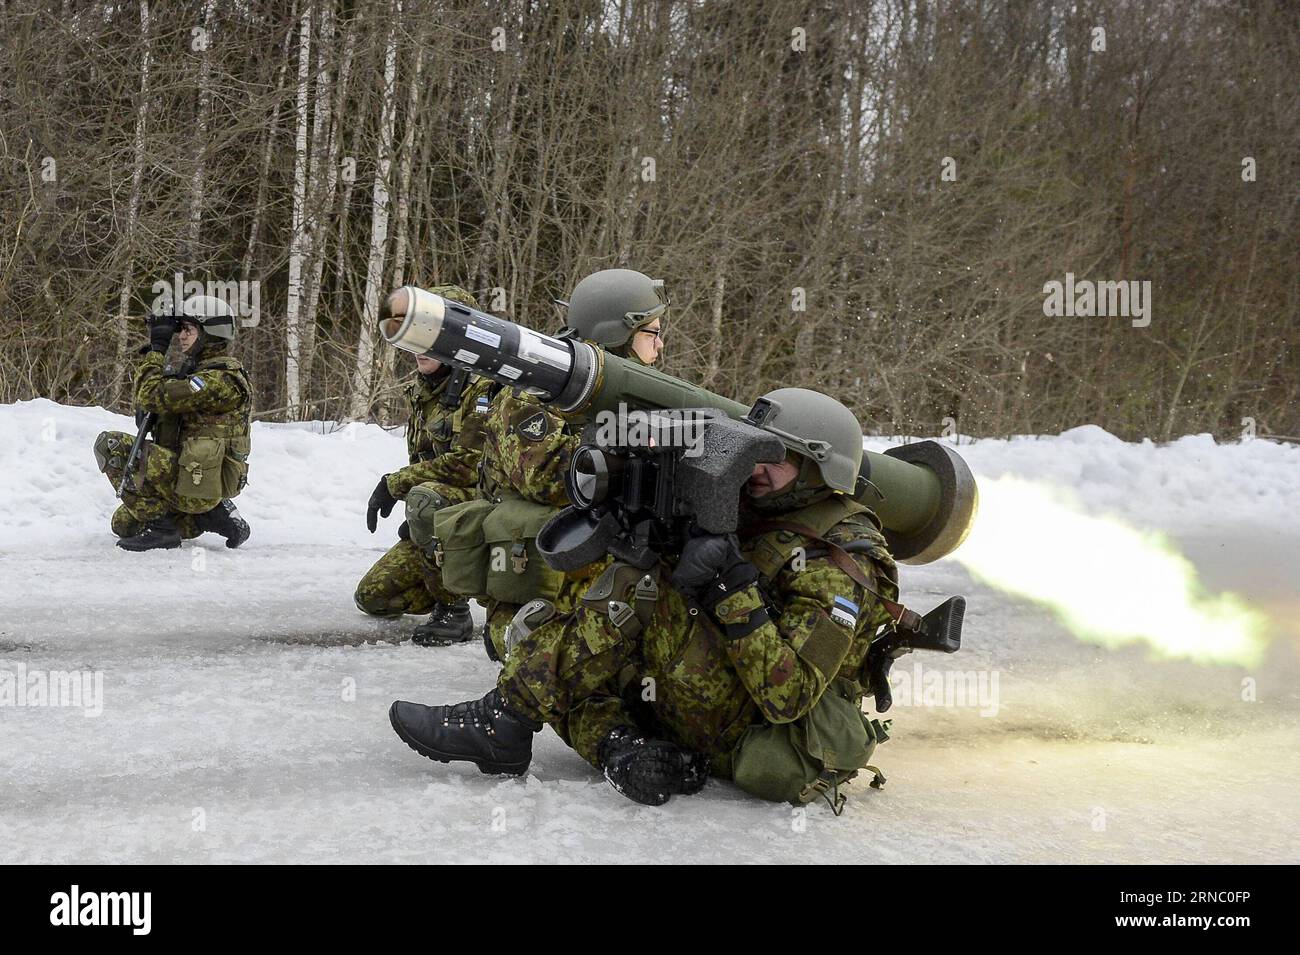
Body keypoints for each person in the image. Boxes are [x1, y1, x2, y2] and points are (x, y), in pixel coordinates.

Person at [389, 388, 900, 812]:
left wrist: (730, 587)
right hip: (707, 691)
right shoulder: (759, 507)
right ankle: (614, 745)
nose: (759, 466)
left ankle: (506, 718)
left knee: (637, 592)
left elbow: (788, 696)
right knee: (566, 650)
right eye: (759, 448)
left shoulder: (842, 558)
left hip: (761, 719)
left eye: (780, 457)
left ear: (819, 469)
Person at [402, 268, 669, 659]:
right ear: (619, 333)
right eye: (653, 333)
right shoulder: (537, 392)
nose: (660, 346)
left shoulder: (632, 393)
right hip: (540, 578)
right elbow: (550, 480)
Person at [353, 285, 494, 645]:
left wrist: (397, 486)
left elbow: (469, 464)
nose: (419, 347)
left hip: (486, 511)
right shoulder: (425, 388)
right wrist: (422, 528)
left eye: (430, 335)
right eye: (415, 335)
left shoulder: (482, 389)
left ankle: (454, 609)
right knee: (373, 598)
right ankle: (447, 576)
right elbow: (426, 457)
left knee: (426, 500)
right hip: (444, 510)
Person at [94, 295, 252, 551]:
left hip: (196, 482)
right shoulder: (197, 373)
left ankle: (166, 530)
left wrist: (157, 349)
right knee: (123, 524)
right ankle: (210, 516)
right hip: (185, 476)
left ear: (209, 333)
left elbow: (150, 395)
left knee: (109, 445)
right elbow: (156, 407)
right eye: (181, 329)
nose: (181, 336)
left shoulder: (219, 381)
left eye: (189, 329)